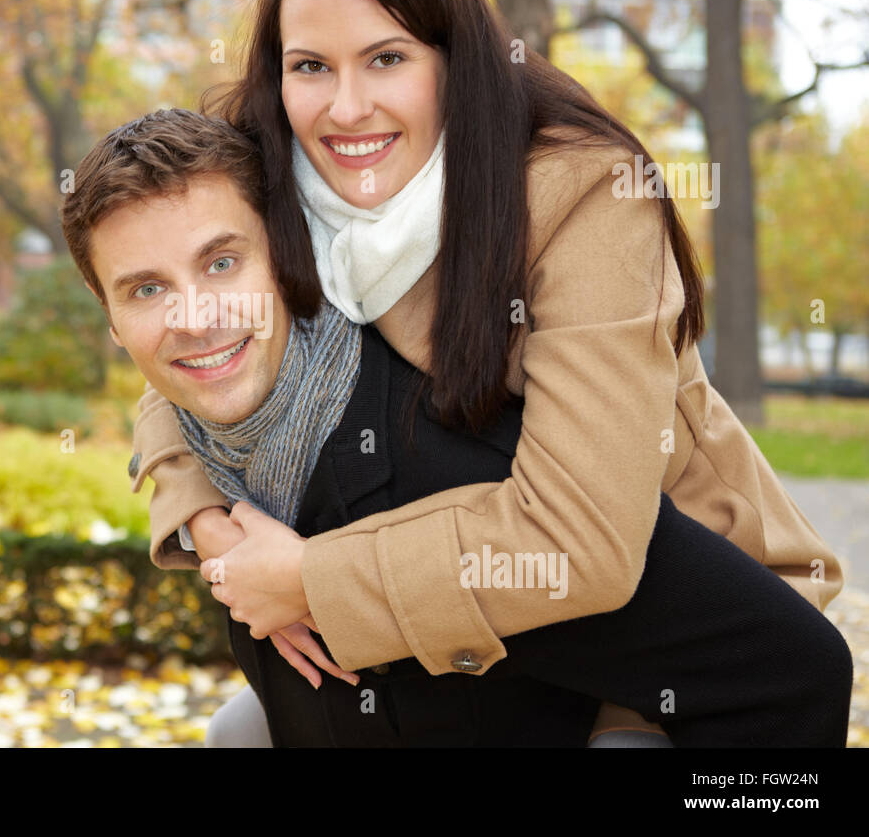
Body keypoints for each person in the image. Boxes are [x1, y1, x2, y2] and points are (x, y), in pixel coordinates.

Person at [125, 0, 846, 744]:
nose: (345, 109)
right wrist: (219, 534)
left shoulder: (580, 195)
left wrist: (314, 580)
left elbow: (582, 542)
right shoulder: (271, 164)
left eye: (387, 58)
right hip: (474, 600)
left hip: (662, 613)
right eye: (311, 66)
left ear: (453, 62)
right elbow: (184, 337)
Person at [60, 107, 852, 746]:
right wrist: (197, 510)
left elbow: (791, 672)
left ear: (289, 254)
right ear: (111, 323)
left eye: (223, 263)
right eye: (145, 290)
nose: (195, 318)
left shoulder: (460, 459)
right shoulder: (228, 453)